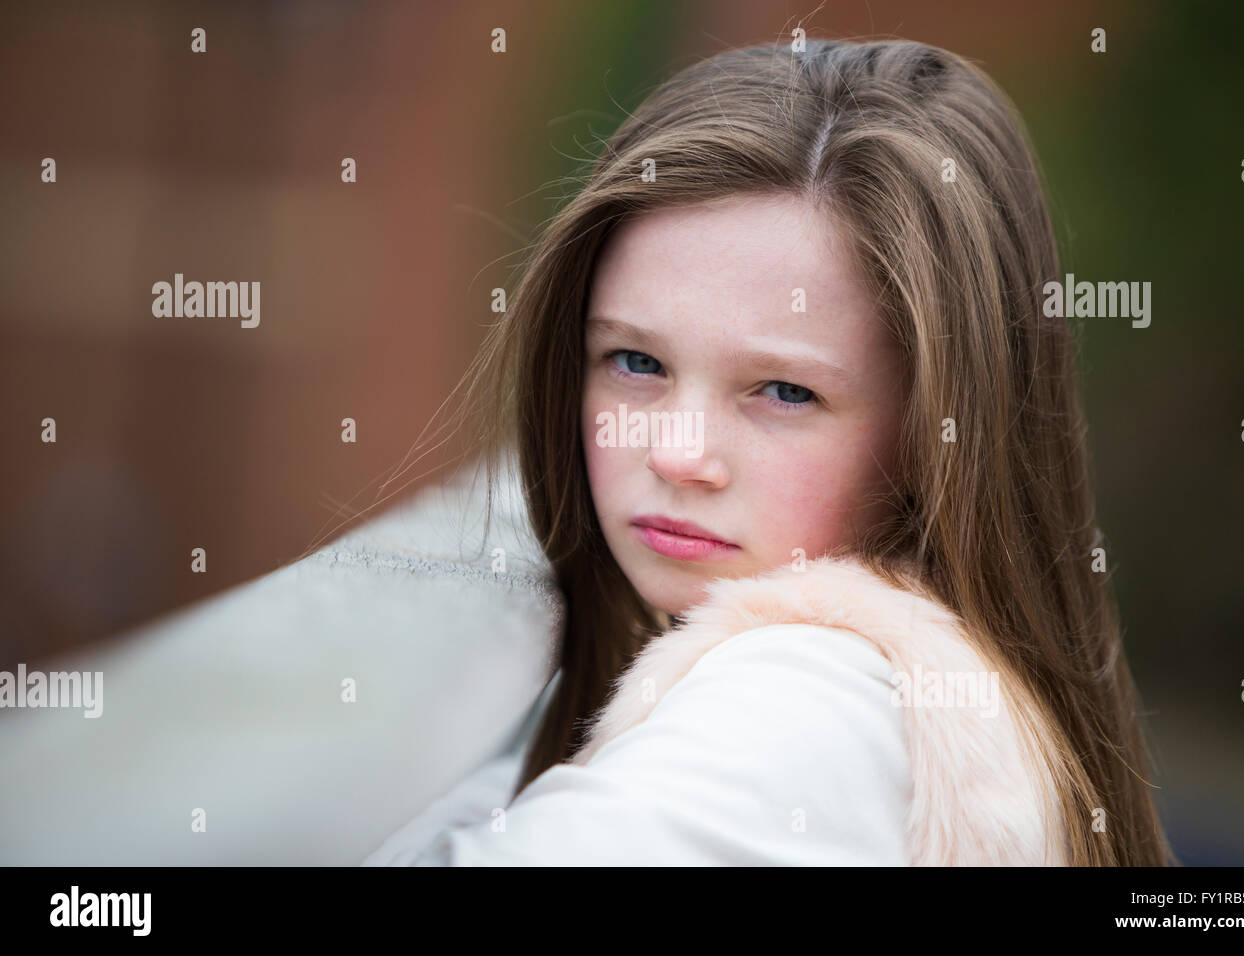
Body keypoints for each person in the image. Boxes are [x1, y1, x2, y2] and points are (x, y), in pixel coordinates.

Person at [365, 37, 1173, 866]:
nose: (678, 456)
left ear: (939, 431)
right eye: (636, 363)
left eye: (786, 392)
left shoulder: (806, 706)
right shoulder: (934, 684)